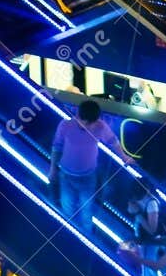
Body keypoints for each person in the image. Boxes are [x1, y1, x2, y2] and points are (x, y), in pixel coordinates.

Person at [49, 97, 126, 232]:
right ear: (78, 115)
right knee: (68, 210)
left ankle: (88, 238)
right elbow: (56, 147)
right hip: (66, 176)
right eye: (83, 121)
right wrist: (53, 170)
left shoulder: (100, 127)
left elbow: (113, 141)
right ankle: (72, 237)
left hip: (88, 177)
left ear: (95, 121)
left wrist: (124, 157)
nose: (86, 126)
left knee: (86, 212)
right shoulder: (65, 125)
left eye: (89, 124)